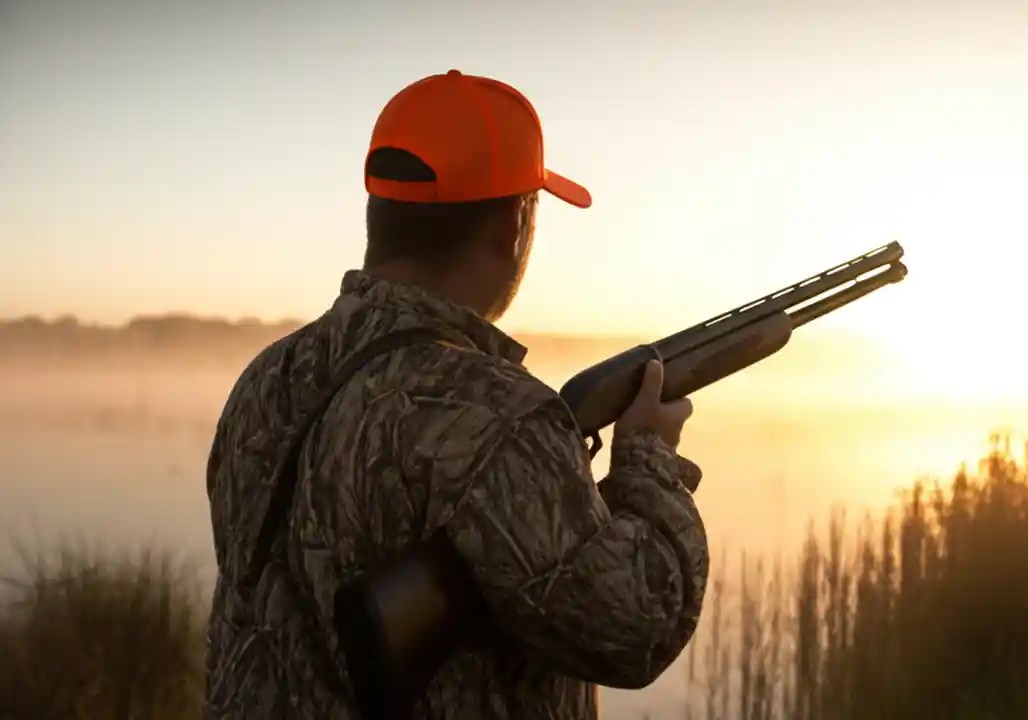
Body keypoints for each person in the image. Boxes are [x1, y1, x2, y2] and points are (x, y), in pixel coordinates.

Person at [203, 70, 710, 719]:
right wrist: (649, 462)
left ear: (378, 216)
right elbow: (634, 630)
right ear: (515, 225)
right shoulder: (497, 414)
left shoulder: (265, 381)